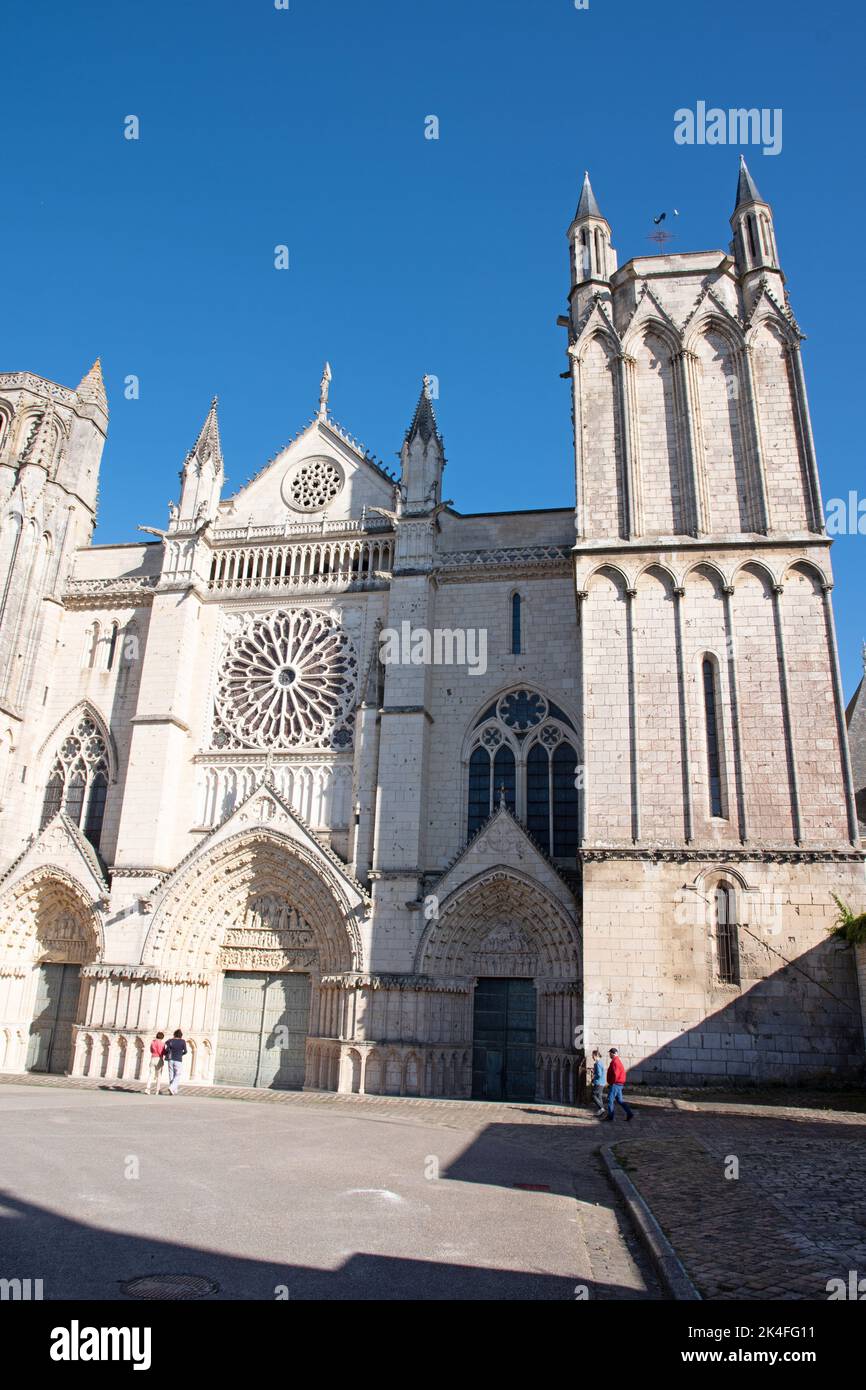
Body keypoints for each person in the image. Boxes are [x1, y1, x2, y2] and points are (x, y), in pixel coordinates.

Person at [604, 1047, 635, 1122]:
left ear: (613, 1053)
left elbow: (616, 1074)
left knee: (610, 1099)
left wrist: (611, 1083)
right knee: (620, 1100)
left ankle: (610, 1116)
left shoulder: (615, 1062)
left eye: (610, 1053)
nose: (609, 1055)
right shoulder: (616, 1061)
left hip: (616, 1083)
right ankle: (629, 1113)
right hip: (618, 1083)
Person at [164, 1029, 188, 1096]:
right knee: (178, 1074)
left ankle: (173, 1090)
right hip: (178, 1060)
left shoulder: (170, 1041)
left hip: (170, 1059)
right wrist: (181, 1054)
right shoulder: (182, 1041)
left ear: (174, 1034)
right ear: (181, 1035)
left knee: (171, 1075)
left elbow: (166, 1047)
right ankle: (172, 1088)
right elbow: (185, 1051)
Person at [590, 1048, 606, 1116]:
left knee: (593, 1095)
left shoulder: (597, 1063)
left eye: (593, 1056)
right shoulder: (600, 1063)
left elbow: (599, 1074)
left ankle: (602, 1108)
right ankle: (601, 1111)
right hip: (602, 1082)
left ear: (596, 1056)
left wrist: (594, 1077)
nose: (592, 1057)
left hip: (598, 1082)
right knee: (599, 1096)